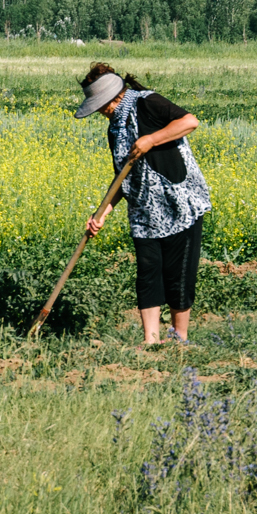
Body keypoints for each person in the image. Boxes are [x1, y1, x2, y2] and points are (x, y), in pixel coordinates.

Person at [75, 62, 211, 347]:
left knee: (179, 273)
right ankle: (150, 342)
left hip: (179, 204)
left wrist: (151, 139)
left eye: (102, 105)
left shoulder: (148, 102)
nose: (102, 111)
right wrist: (101, 214)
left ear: (115, 96)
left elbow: (189, 122)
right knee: (148, 274)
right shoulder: (115, 129)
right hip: (144, 211)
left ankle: (179, 341)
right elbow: (121, 178)